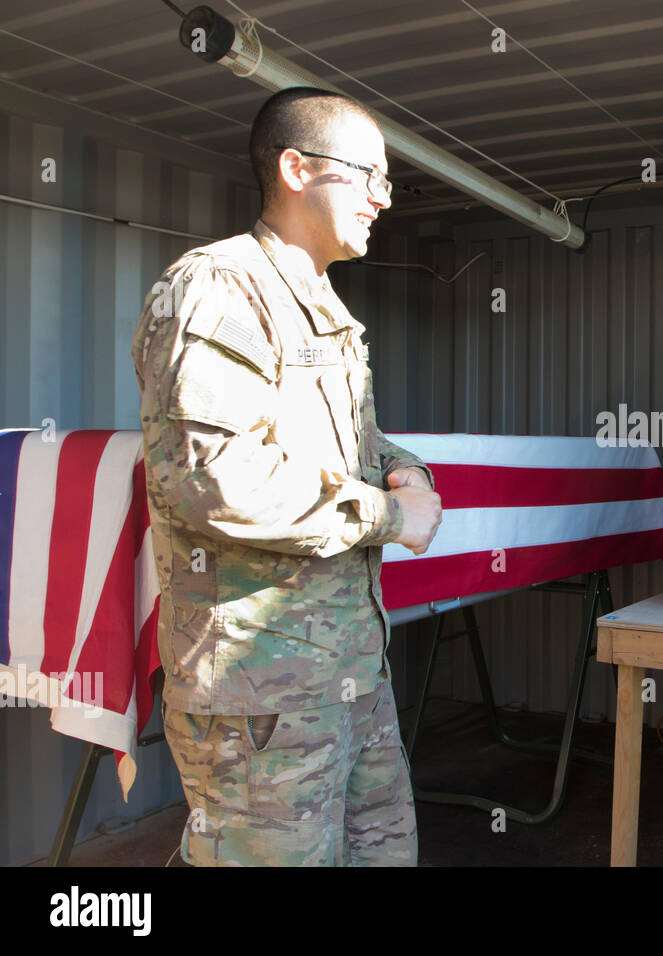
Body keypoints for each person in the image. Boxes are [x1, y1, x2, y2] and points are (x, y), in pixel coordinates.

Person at [132, 87, 443, 866]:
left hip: (347, 675)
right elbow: (213, 478)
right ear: (297, 168)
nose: (382, 197)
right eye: (366, 175)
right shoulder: (217, 287)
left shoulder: (322, 305)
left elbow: (359, 447)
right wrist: (385, 515)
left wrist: (407, 474)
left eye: (389, 182)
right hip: (260, 701)